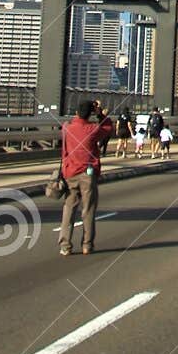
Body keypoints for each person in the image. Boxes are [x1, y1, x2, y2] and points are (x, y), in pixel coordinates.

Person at [58, 99, 114, 257]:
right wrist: (100, 113)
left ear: (76, 112)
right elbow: (108, 127)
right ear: (90, 113)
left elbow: (64, 150)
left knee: (68, 210)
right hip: (88, 174)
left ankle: (65, 246)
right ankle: (87, 245)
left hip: (70, 173)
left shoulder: (67, 128)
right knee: (88, 210)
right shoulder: (93, 129)